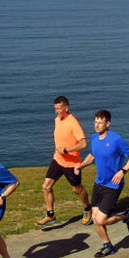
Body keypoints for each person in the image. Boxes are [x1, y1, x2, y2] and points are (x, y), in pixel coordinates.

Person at [77, 109, 129, 258]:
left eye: (100, 122)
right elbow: (92, 155)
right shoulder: (93, 138)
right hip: (99, 183)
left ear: (108, 123)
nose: (97, 125)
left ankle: (126, 216)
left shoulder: (116, 140)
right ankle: (107, 245)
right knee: (95, 219)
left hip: (113, 185)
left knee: (101, 219)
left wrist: (122, 171)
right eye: (95, 122)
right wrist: (81, 165)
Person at [36, 95, 91, 227]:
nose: (57, 111)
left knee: (76, 190)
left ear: (66, 108)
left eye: (59, 108)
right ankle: (50, 215)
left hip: (71, 163)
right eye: (55, 108)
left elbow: (84, 144)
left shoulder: (73, 122)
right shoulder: (57, 120)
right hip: (58, 160)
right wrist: (60, 152)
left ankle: (88, 209)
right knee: (46, 186)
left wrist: (67, 150)